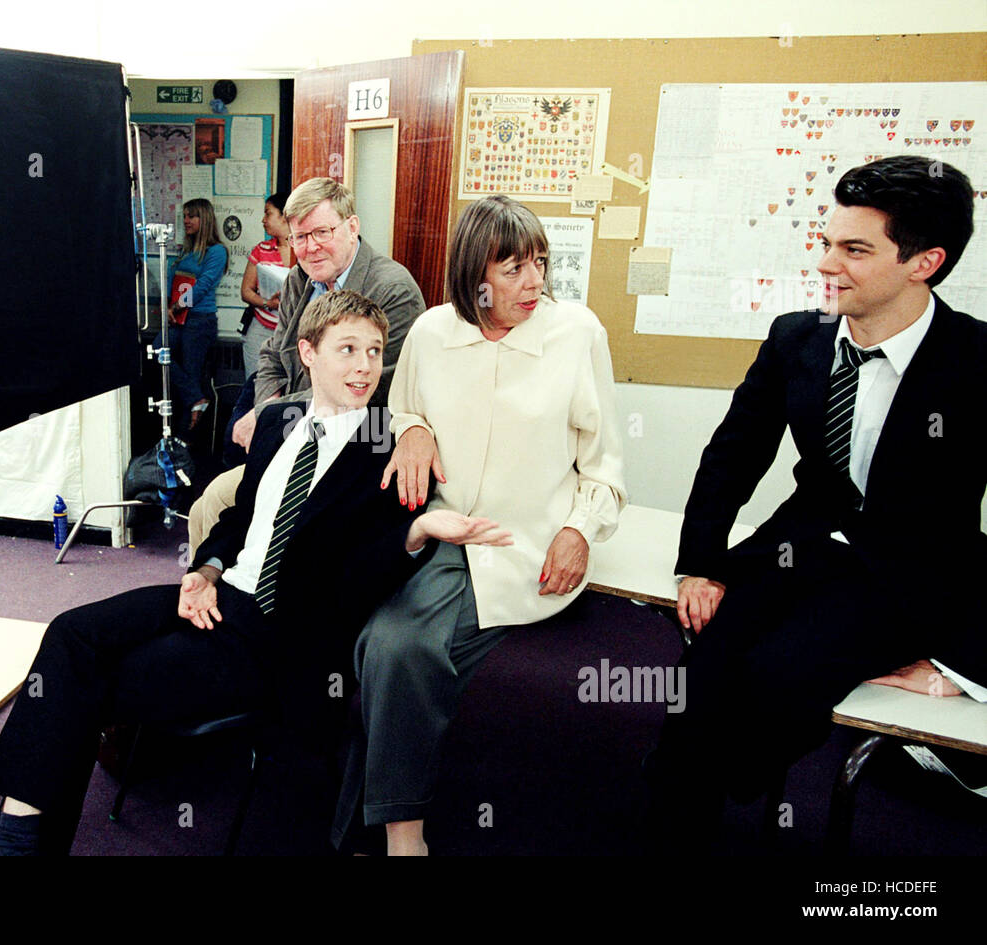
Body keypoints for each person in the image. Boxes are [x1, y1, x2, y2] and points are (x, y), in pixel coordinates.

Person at [0, 290, 511, 854]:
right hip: (224, 594)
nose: (364, 366)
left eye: (375, 351)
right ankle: (18, 839)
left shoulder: (386, 447)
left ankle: (17, 843)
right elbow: (240, 516)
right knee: (69, 633)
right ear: (307, 352)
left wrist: (417, 533)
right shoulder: (280, 420)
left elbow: (358, 581)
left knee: (97, 679)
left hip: (284, 635)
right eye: (347, 349)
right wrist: (203, 570)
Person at [649, 156, 987, 849]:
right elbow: (733, 453)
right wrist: (700, 563)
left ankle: (715, 776)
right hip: (799, 543)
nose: (827, 262)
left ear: (925, 261)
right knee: (701, 672)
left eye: (854, 249)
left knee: (778, 677)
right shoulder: (796, 337)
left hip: (910, 574)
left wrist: (966, 664)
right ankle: (676, 812)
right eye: (828, 240)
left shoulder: (976, 360)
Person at [333, 195, 628, 855]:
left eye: (541, 264)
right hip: (442, 538)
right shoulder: (433, 334)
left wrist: (579, 530)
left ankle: (369, 827)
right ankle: (406, 838)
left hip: (529, 549)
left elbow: (605, 466)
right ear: (476, 277)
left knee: (392, 651)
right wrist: (410, 431)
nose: (535, 283)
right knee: (391, 646)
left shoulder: (577, 333)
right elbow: (405, 409)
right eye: (515, 268)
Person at [187, 177, 426, 549]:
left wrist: (269, 417)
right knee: (211, 504)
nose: (309, 248)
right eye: (299, 237)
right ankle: (218, 588)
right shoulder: (302, 278)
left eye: (322, 232)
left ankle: (239, 590)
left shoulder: (392, 288)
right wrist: (268, 409)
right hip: (298, 429)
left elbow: (371, 392)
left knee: (219, 499)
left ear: (352, 227)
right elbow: (272, 355)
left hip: (358, 442)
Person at [169, 198, 228, 431]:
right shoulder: (185, 251)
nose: (186, 221)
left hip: (199, 320)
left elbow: (203, 285)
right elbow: (172, 280)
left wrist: (177, 306)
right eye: (184, 216)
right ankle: (195, 398)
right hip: (178, 319)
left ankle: (188, 439)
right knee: (157, 351)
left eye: (191, 216)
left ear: (204, 220)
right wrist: (169, 307)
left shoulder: (217, 251)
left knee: (192, 374)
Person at [238, 190, 293, 377]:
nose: (263, 219)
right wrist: (267, 303)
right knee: (255, 385)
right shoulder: (261, 250)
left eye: (268, 213)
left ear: (284, 216)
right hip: (261, 330)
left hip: (293, 332)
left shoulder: (304, 250)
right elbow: (246, 291)